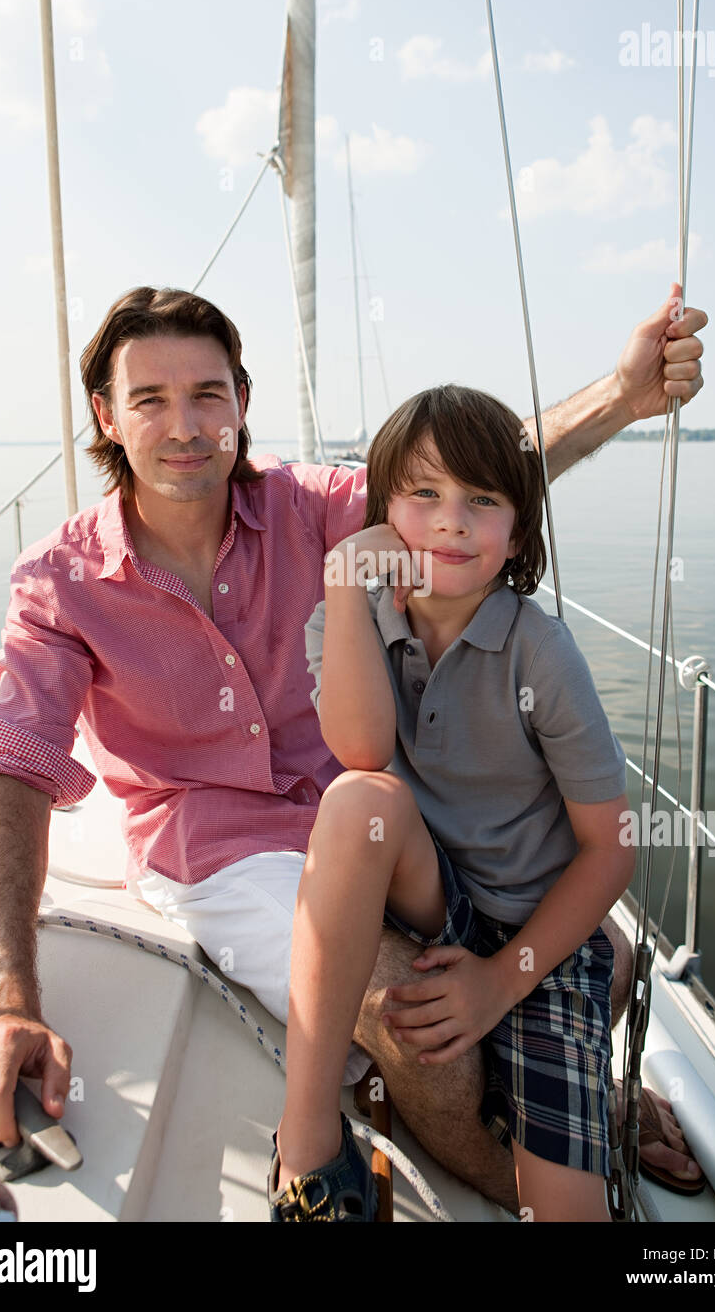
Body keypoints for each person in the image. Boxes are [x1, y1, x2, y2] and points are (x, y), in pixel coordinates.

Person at [0, 284, 706, 1213]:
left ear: (243, 402)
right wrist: (3, 998)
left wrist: (624, 397)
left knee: (607, 955)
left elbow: (463, 483)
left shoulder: (311, 509)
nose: (185, 426)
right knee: (408, 1015)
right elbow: (16, 772)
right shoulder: (61, 583)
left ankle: (575, 1098)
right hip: (224, 854)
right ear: (106, 414)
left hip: (382, 817)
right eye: (149, 399)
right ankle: (539, 1180)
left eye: (208, 394)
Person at [270, 386, 636, 1222]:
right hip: (435, 892)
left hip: (535, 929)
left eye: (482, 499)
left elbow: (612, 847)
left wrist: (497, 987)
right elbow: (361, 753)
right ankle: (307, 1143)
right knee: (357, 799)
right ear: (380, 512)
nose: (451, 522)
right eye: (423, 494)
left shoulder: (540, 651)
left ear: (518, 527)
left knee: (566, 1214)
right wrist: (344, 576)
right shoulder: (346, 617)